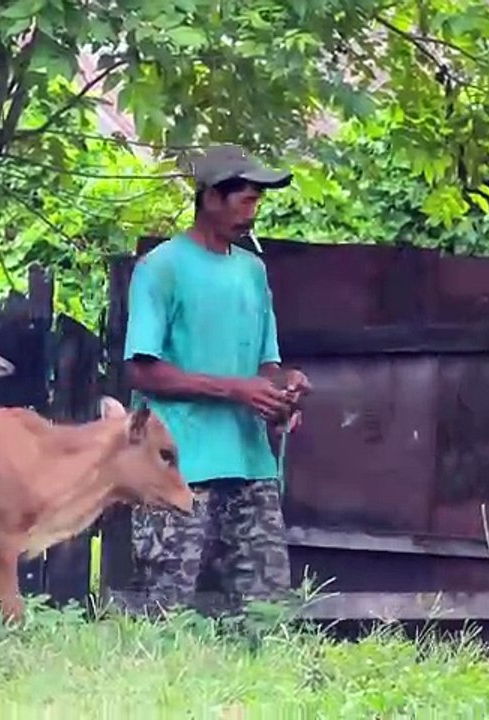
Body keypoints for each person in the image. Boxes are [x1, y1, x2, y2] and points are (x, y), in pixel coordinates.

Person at [122, 143, 309, 614]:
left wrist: (281, 394)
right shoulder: (160, 268)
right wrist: (236, 389)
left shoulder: (253, 271)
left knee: (264, 615)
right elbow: (141, 370)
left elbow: (265, 364)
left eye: (257, 202)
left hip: (250, 466)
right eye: (245, 200)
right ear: (210, 198)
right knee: (167, 614)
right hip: (178, 465)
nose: (253, 212)